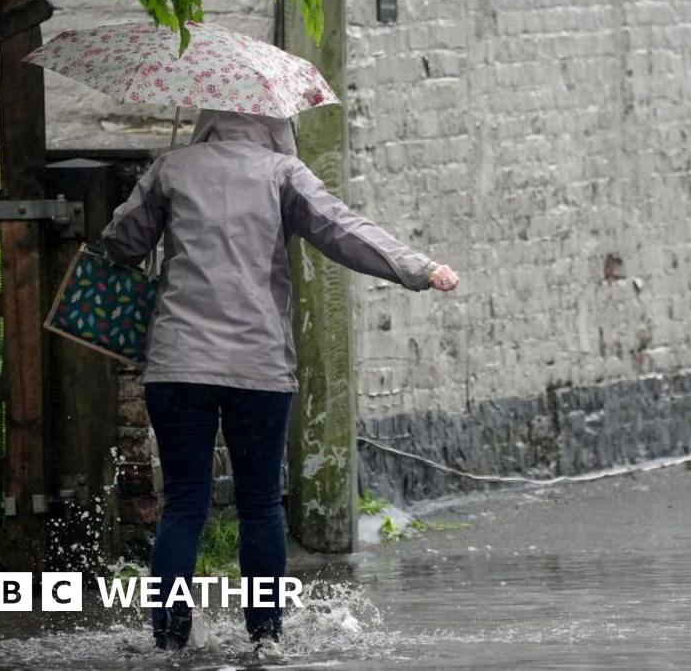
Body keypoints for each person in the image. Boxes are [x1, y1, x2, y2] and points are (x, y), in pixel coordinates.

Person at [98, 108, 459, 651]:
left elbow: (120, 244)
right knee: (262, 505)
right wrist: (418, 268)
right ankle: (265, 636)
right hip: (258, 366)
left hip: (177, 364)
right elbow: (343, 230)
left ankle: (167, 641)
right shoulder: (282, 173)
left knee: (183, 503)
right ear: (274, 122)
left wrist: (157, 191)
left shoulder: (170, 168)